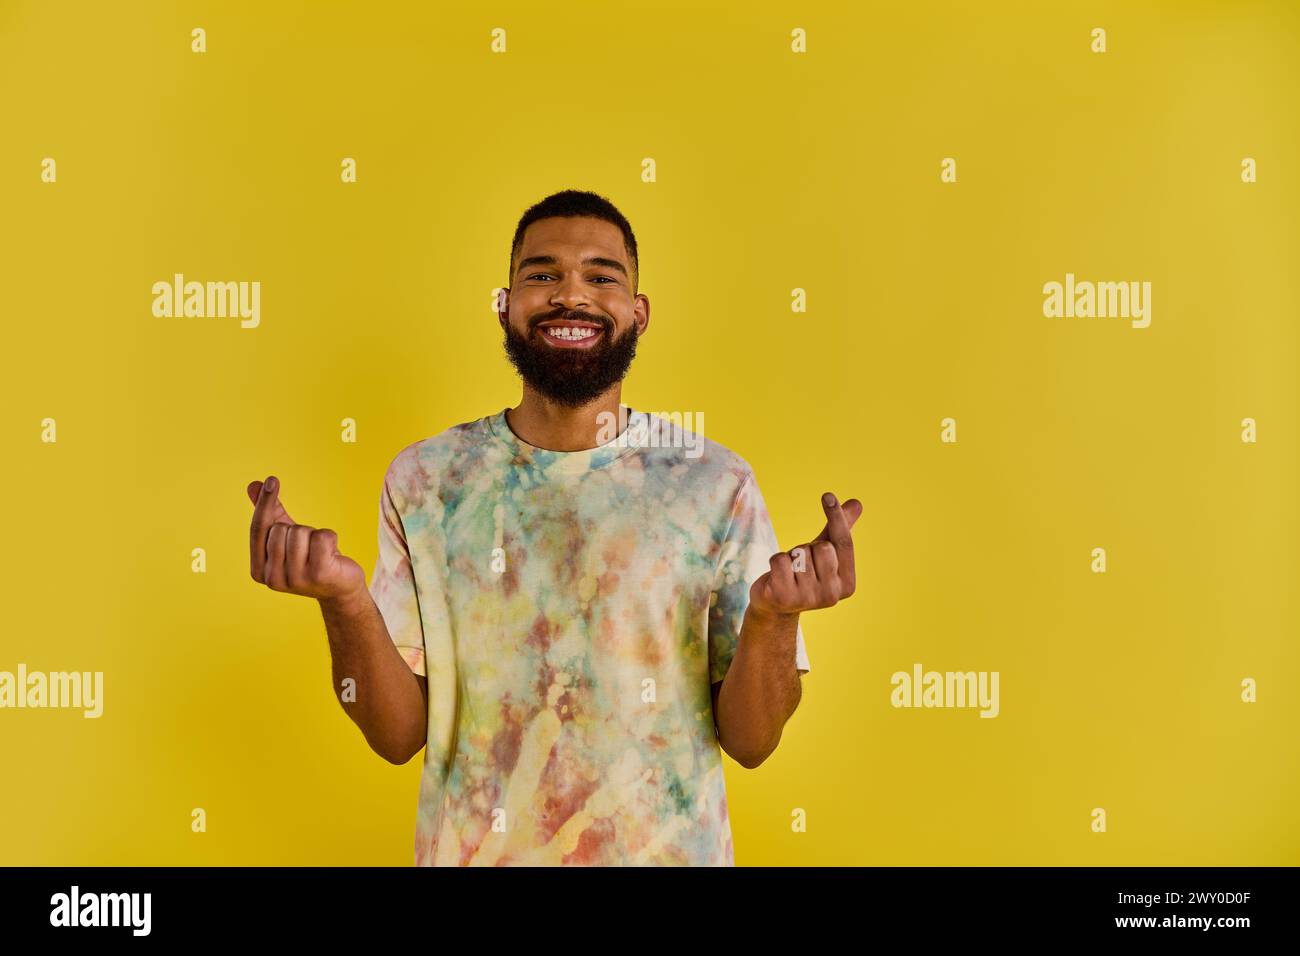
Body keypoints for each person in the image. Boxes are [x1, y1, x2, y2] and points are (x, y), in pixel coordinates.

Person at [246, 189, 861, 865]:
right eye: (542, 275)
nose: (571, 295)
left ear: (639, 313)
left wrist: (775, 617)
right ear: (504, 304)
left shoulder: (715, 483)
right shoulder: (428, 480)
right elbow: (397, 737)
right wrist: (344, 601)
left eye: (602, 276)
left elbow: (752, 742)